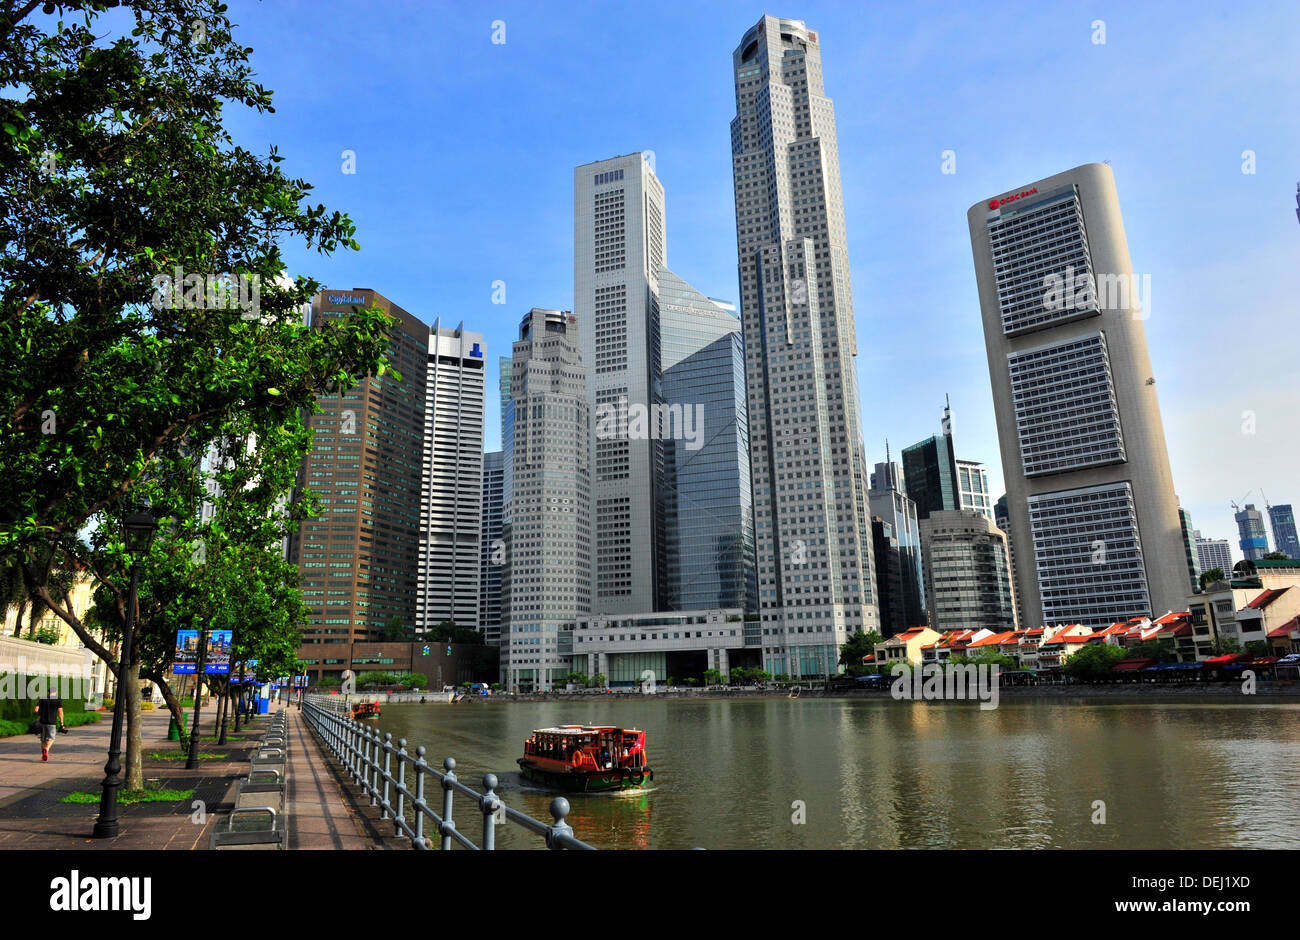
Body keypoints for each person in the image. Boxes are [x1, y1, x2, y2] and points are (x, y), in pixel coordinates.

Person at [34, 692, 65, 762]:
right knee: (52, 738)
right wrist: (62, 723)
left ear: (48, 692)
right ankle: (47, 749)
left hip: (42, 722)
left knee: (43, 739)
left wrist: (40, 713)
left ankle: (43, 756)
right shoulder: (58, 699)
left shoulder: (43, 698)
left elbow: (36, 709)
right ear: (56, 692)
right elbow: (60, 712)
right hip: (52, 722)